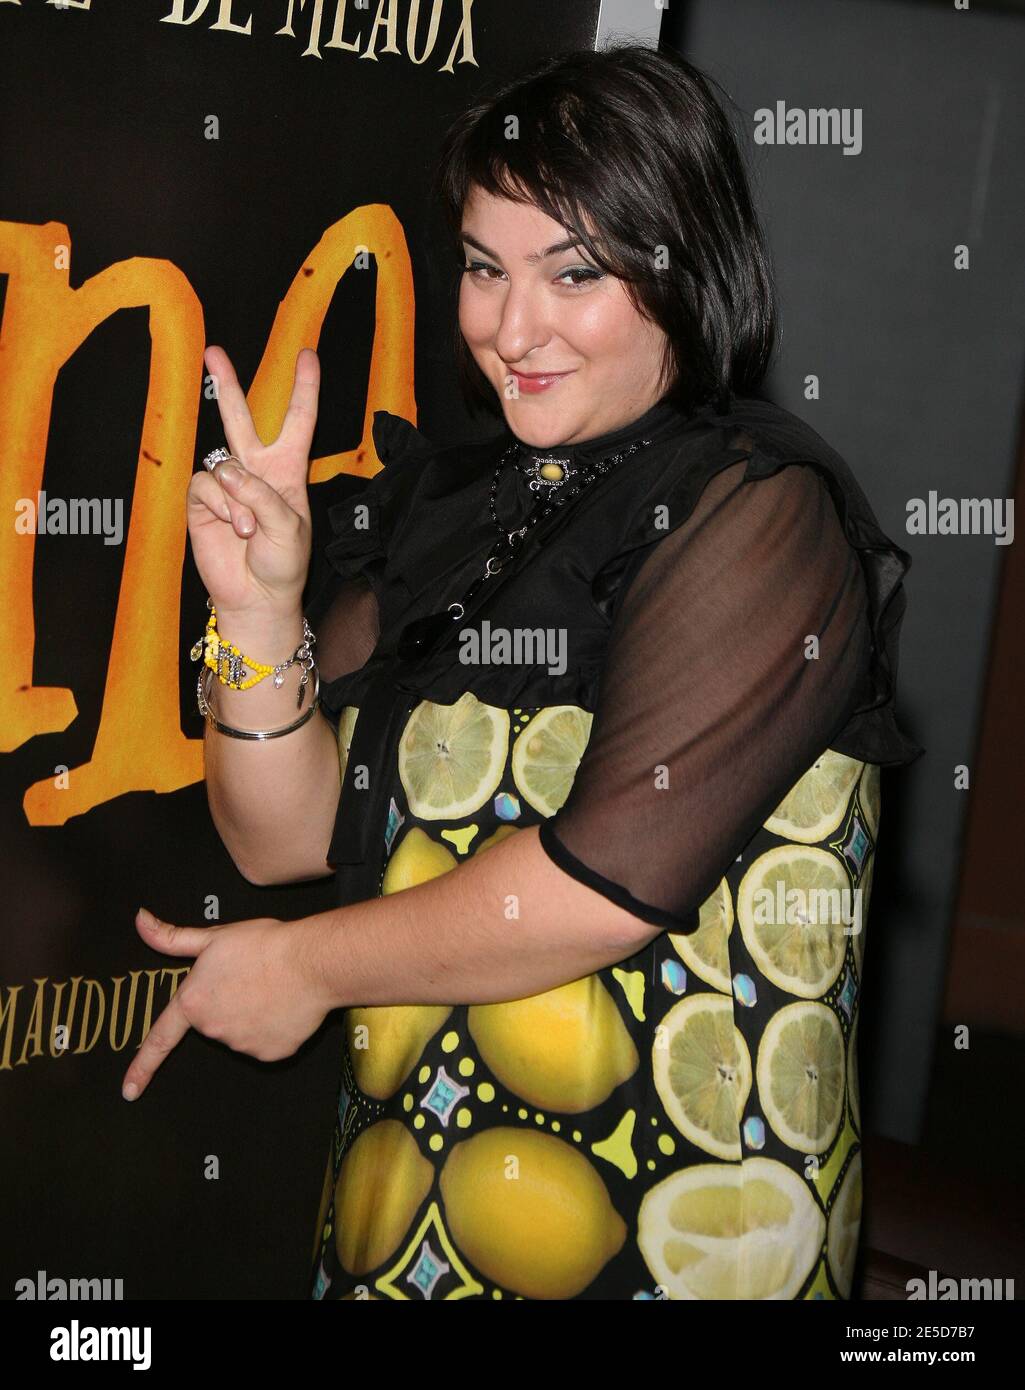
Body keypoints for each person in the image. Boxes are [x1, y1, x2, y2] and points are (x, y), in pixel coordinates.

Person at [121, 43, 923, 1300]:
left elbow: (602, 885)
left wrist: (306, 968)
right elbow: (279, 837)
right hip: (415, 1224)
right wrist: (257, 609)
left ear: (683, 270)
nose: (511, 327)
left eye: (574, 274)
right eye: (486, 270)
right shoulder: (454, 505)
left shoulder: (757, 507)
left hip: (673, 1230)